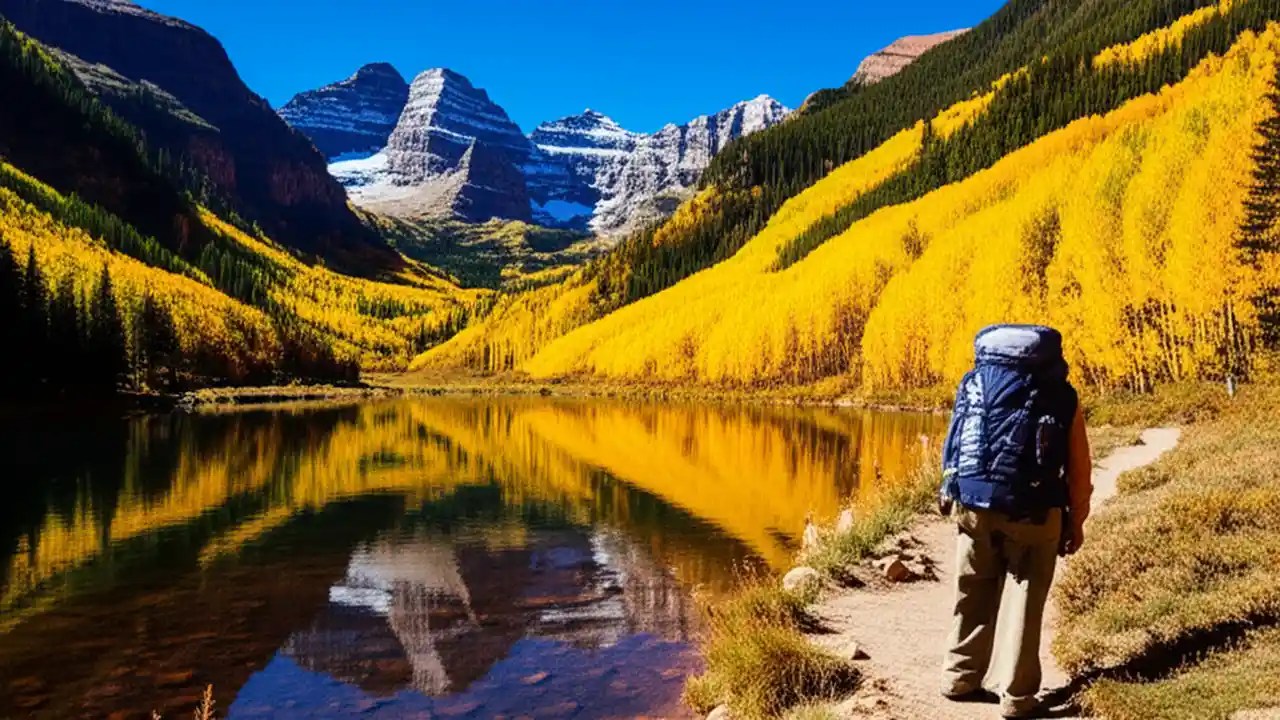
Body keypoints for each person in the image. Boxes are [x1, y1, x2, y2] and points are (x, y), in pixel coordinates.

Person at [937, 324, 1093, 719]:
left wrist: (951, 492)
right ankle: (1017, 697)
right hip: (1034, 511)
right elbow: (1079, 469)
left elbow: (953, 442)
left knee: (972, 589)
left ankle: (960, 677)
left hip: (974, 504)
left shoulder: (974, 382)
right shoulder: (1061, 396)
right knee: (1025, 598)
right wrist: (1076, 521)